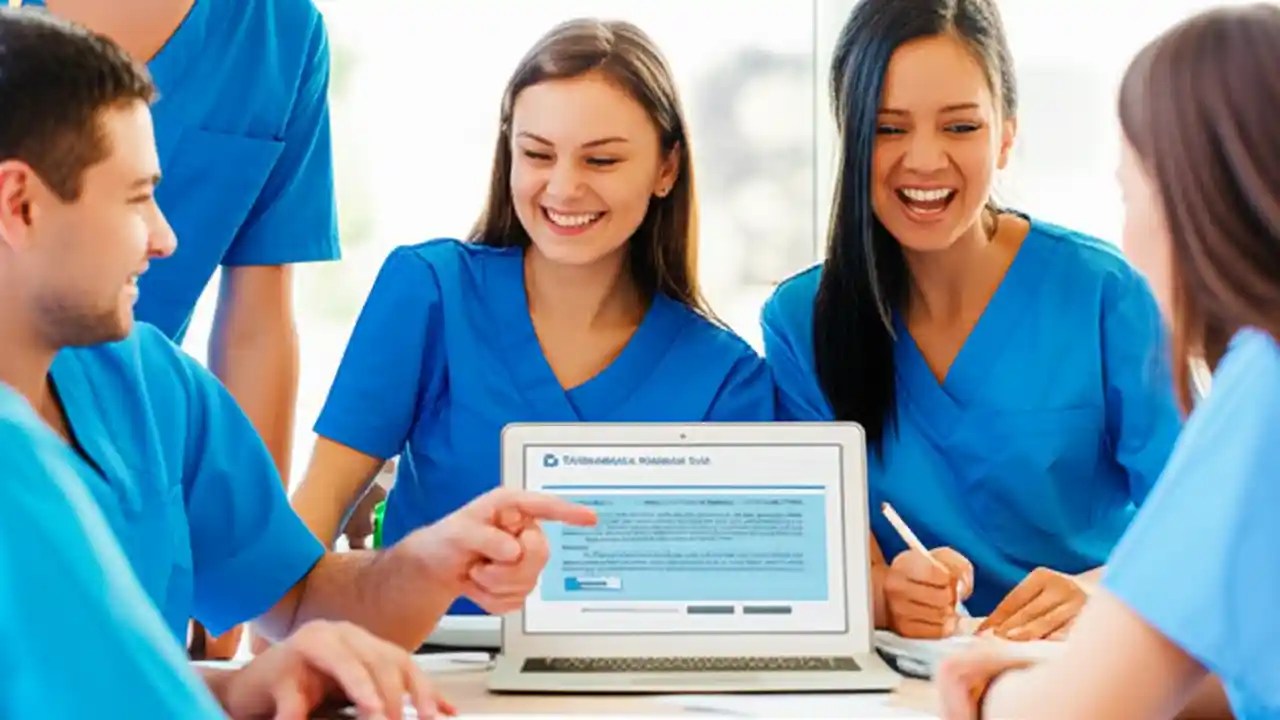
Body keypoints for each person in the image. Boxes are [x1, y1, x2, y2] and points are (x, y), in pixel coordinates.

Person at [0, 5, 595, 678]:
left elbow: (298, 597)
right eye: (137, 198)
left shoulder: (154, 390)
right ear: (20, 205)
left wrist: (433, 562)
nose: (168, 240)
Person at [291, 18, 776, 616]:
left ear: (666, 168)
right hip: (422, 675)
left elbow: (735, 592)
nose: (564, 187)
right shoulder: (431, 293)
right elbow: (318, 505)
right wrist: (275, 648)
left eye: (601, 161)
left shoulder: (727, 381)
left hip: (634, 692)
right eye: (538, 154)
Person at [761, 0, 1182, 640]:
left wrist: (1101, 594)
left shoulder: (1103, 293)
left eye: (960, 127)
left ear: (1006, 134)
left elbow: (1207, 519)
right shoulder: (801, 322)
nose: (925, 161)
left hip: (1085, 663)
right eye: (888, 128)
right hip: (909, 676)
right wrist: (885, 595)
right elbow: (834, 557)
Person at [939, 5, 1280, 718]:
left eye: (1130, 191)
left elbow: (1079, 714)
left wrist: (994, 688)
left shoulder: (1262, 389)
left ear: (1195, 200)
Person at [23, 0, 340, 658]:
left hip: (142, 438)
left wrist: (234, 593)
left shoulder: (279, 33)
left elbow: (258, 321)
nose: (162, 236)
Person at [0, 383, 452, 720]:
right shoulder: (17, 447)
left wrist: (232, 688)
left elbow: (93, 683)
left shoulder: (151, 384)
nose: (167, 249)